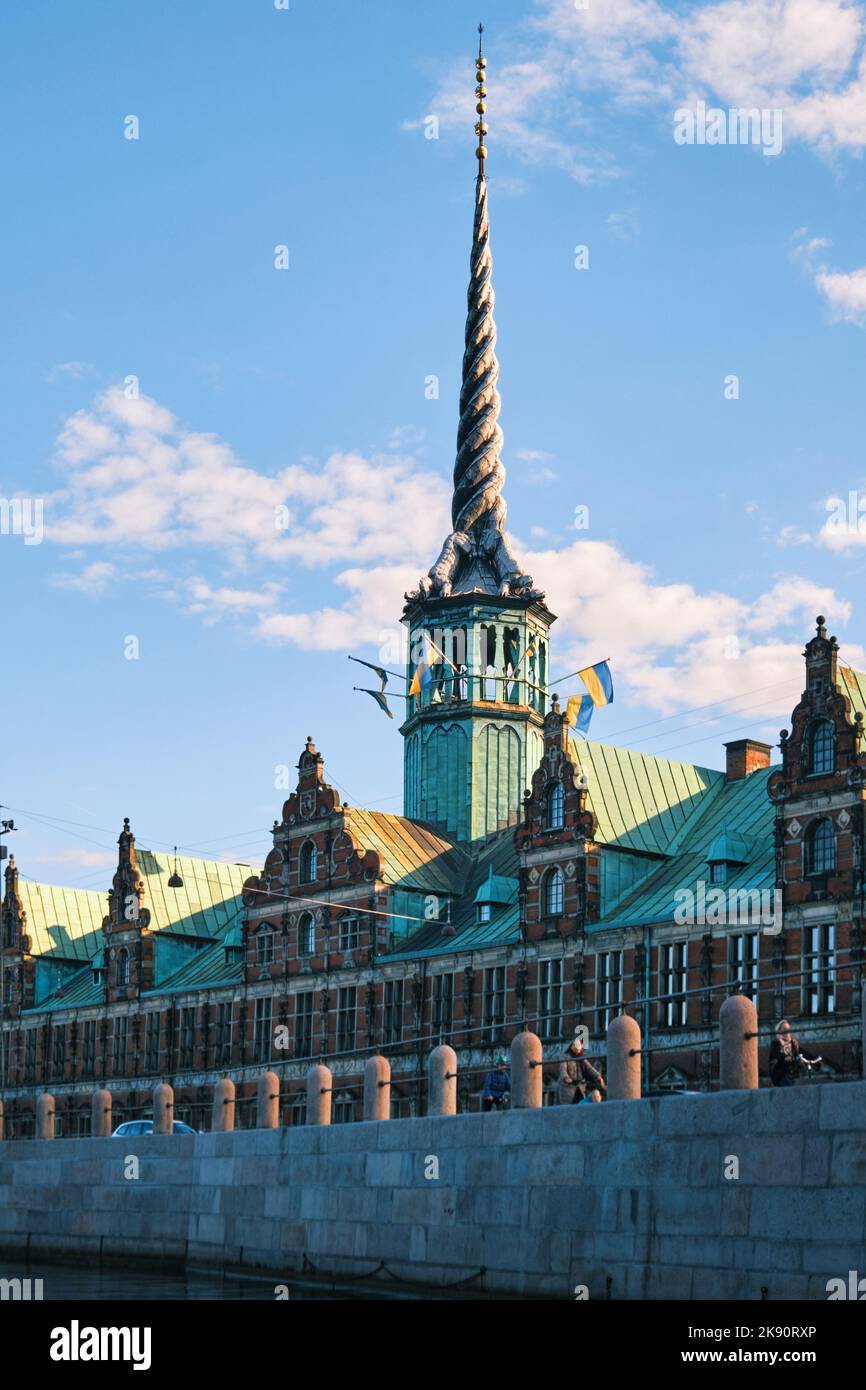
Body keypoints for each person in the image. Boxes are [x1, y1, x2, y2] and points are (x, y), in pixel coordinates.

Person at [559, 1031, 606, 1104]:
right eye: (576, 1050)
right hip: (568, 1087)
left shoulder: (582, 1058)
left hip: (580, 1086)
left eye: (579, 1050)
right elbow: (563, 1069)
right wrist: (566, 1077)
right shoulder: (565, 1056)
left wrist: (597, 1076)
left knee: (580, 1104)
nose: (577, 1052)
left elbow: (589, 1068)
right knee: (569, 1105)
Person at [768, 1019, 820, 1087]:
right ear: (780, 1031)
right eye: (785, 1029)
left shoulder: (793, 1043)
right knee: (791, 1088)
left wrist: (814, 1057)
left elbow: (802, 1051)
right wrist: (783, 1058)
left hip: (792, 1073)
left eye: (788, 1029)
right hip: (780, 1075)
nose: (787, 1031)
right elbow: (774, 1058)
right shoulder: (776, 1043)